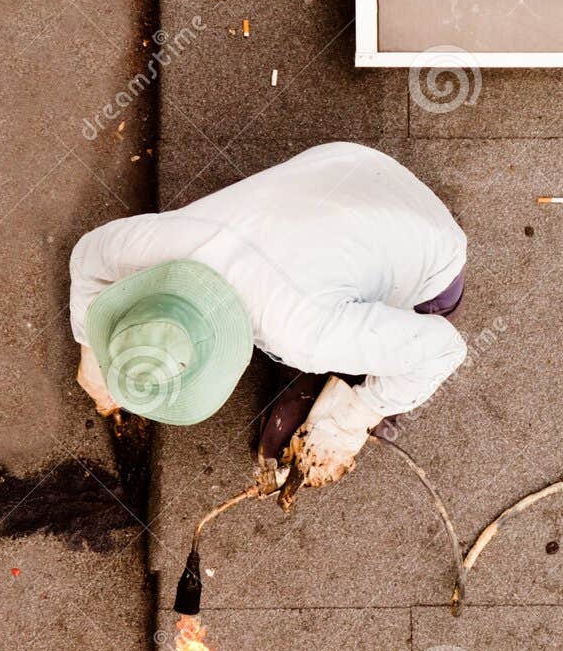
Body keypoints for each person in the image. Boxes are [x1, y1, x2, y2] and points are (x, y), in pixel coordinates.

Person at [69, 142, 467, 496]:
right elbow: (89, 255)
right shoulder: (159, 244)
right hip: (349, 166)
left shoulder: (300, 334)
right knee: (282, 430)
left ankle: (356, 374)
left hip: (427, 249)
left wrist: (355, 418)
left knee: (382, 389)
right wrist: (91, 345)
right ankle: (345, 349)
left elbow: (443, 349)